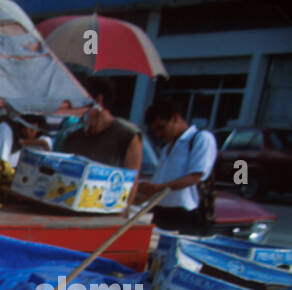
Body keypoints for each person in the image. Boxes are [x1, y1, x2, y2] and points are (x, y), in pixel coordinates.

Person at [136, 97, 218, 236]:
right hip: (162, 213)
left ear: (175, 118)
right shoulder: (168, 147)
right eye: (155, 131)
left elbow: (195, 177)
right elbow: (159, 180)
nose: (159, 134)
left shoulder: (201, 139)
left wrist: (158, 188)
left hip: (187, 215)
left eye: (161, 128)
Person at [59, 77, 142, 176]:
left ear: (98, 100)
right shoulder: (72, 138)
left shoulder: (127, 136)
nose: (73, 107)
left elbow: (132, 183)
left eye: (78, 101)